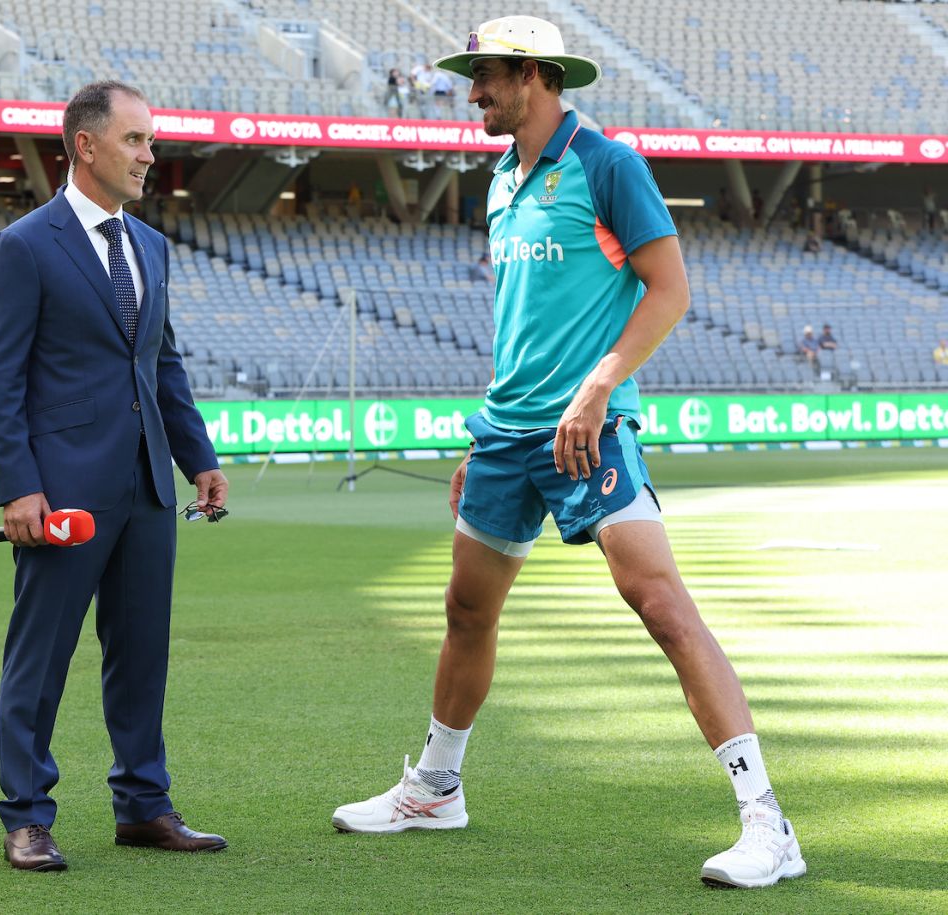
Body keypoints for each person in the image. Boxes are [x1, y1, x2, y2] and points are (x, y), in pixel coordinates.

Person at [330, 16, 806, 891]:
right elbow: (521, 327)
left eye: (488, 76)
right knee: (466, 611)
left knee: (660, 605)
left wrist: (597, 388)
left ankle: (768, 822)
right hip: (507, 437)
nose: (472, 91)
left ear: (537, 76)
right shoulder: (501, 183)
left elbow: (670, 289)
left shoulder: (609, 165)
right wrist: (486, 434)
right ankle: (436, 787)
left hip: (591, 432)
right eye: (472, 76)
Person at [0, 79, 230, 873]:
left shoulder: (150, 245)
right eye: (136, 140)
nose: (151, 155)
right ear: (86, 145)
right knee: (40, 658)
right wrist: (18, 485)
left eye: (150, 141)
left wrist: (200, 459)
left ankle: (144, 806)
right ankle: (26, 815)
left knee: (142, 654)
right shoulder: (23, 246)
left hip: (149, 486)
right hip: (62, 497)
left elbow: (163, 364)